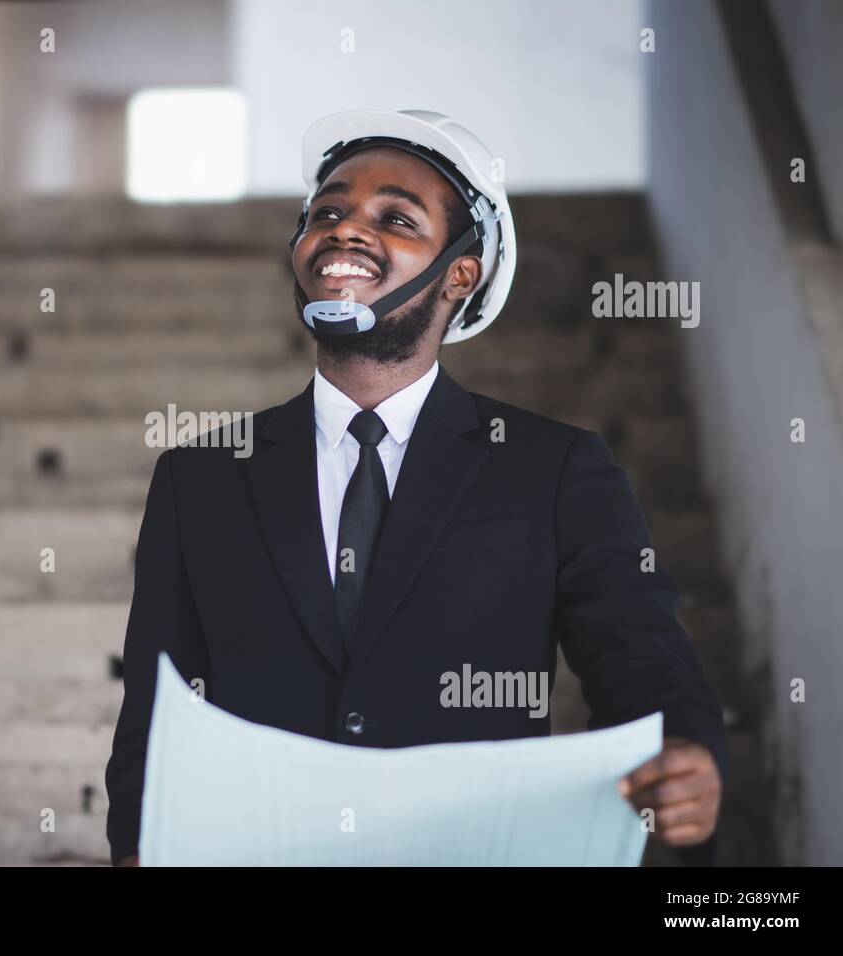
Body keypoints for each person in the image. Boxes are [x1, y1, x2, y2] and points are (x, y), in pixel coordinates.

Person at [105, 109, 725, 866]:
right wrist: (139, 843)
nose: (344, 230)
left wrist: (688, 754)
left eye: (394, 216)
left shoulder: (554, 469)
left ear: (461, 273)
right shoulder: (198, 477)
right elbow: (156, 711)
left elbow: (642, 655)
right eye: (325, 212)